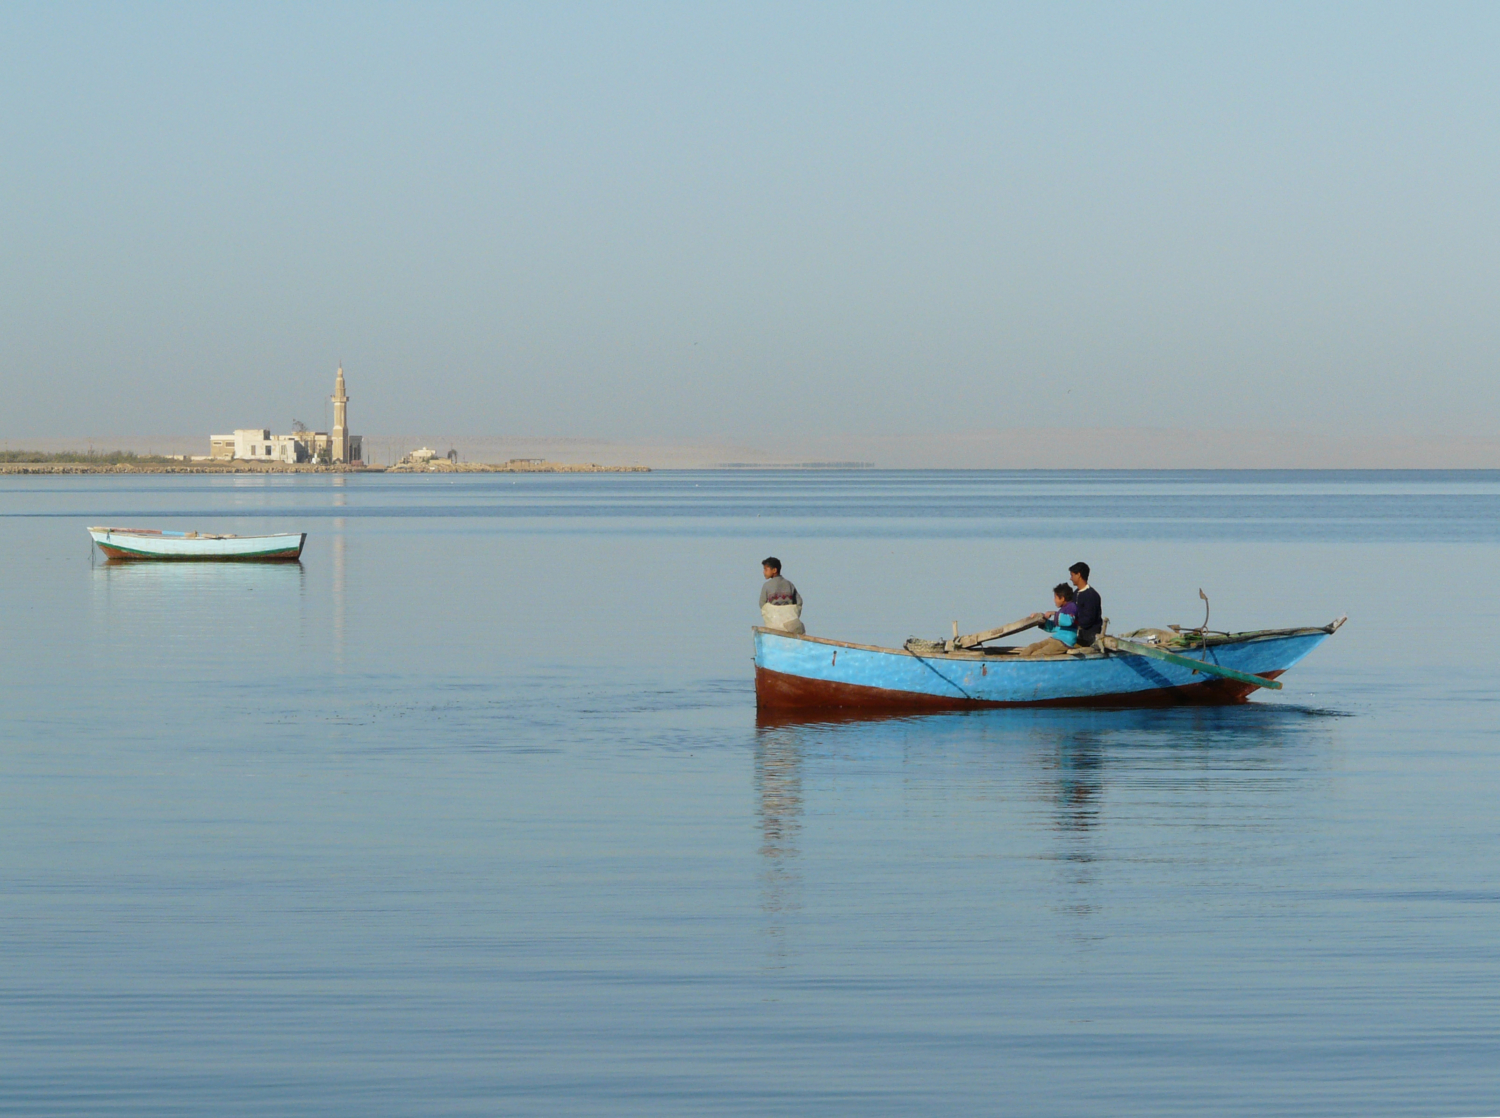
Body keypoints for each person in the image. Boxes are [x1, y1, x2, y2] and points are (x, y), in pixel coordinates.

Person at [1018, 583, 1079, 658]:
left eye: (1055, 597)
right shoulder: (1062, 610)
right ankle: (1018, 663)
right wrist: (1041, 619)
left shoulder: (1072, 606)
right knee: (1032, 647)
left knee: (1037, 654)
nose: (1054, 600)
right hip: (1056, 639)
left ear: (1062, 598)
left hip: (1064, 642)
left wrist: (1054, 613)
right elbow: (1054, 627)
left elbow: (1069, 621)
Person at [759, 557, 805, 634]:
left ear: (774, 570)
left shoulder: (767, 586)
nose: (764, 572)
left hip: (774, 624)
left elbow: (762, 604)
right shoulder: (789, 584)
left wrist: (774, 613)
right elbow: (799, 602)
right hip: (790, 627)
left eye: (766, 570)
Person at [1069, 561, 1103, 647]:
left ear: (1079, 575)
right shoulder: (1075, 593)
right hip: (1076, 635)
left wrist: (1072, 623)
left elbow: (1088, 619)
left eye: (1072, 575)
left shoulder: (1091, 595)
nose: (1071, 578)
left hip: (1088, 638)